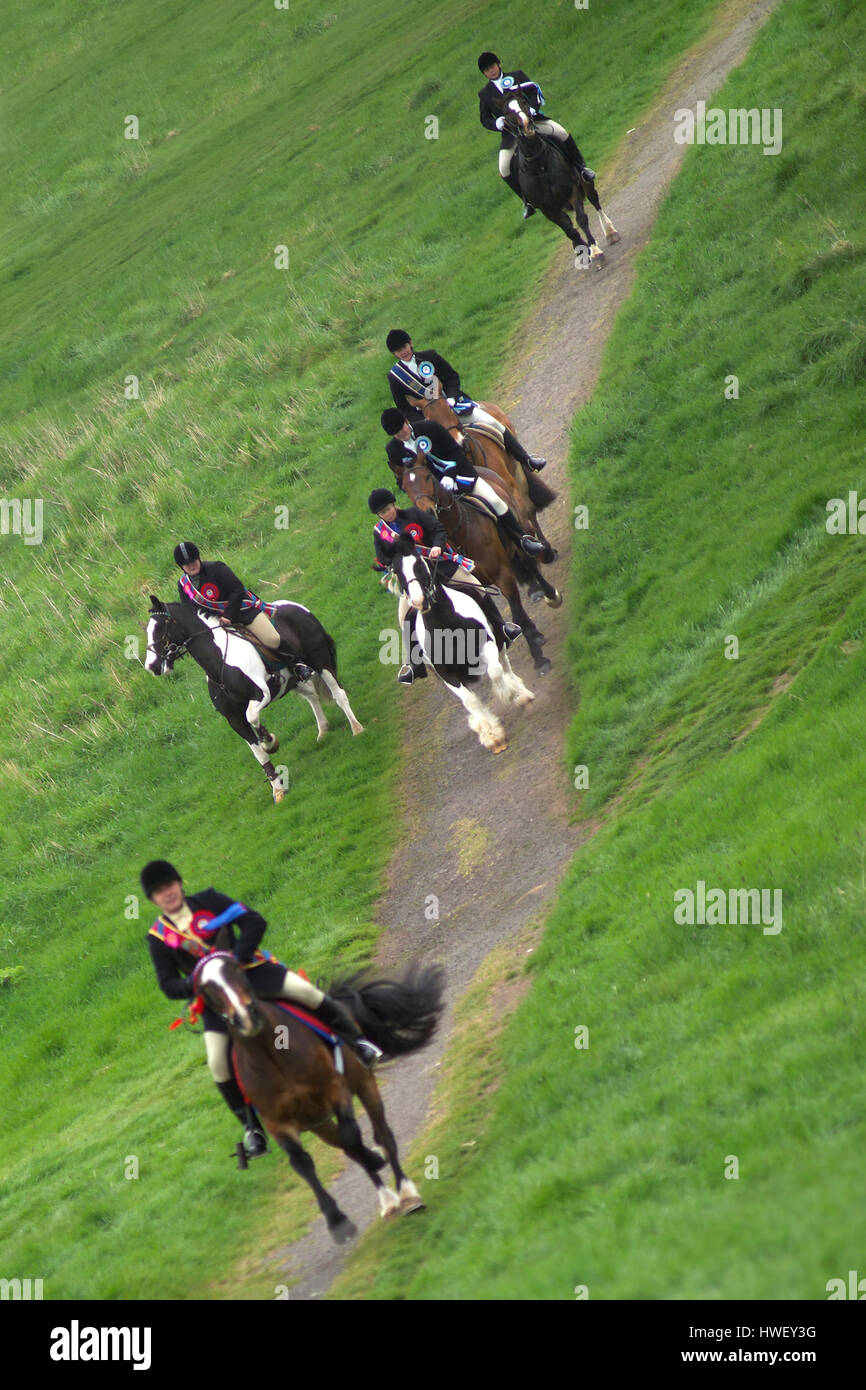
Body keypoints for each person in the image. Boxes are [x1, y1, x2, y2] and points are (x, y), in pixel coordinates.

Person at [142, 859, 383, 1157]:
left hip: (254, 972)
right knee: (217, 1060)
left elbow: (254, 922)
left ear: (179, 883)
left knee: (307, 992)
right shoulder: (157, 938)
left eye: (169, 885)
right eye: (158, 891)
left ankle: (359, 1046)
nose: (167, 893)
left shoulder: (210, 900)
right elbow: (167, 985)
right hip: (218, 1000)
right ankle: (252, 1127)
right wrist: (200, 982)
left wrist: (237, 959)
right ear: (152, 899)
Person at [368, 488, 521, 683]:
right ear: (378, 515)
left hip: (440, 566)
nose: (387, 514)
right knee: (403, 617)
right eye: (383, 512)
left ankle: (502, 627)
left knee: (476, 586)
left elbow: (437, 529)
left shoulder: (414, 514)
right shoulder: (380, 533)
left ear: (393, 504)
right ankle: (415, 664)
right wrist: (397, 562)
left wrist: (438, 546)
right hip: (414, 576)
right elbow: (382, 557)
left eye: (389, 508)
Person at [380, 408, 546, 558]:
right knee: (429, 529)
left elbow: (455, 451)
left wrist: (450, 476)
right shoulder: (393, 450)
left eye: (402, 429)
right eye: (397, 435)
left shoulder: (430, 427)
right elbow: (401, 479)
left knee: (494, 500)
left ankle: (522, 539)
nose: (402, 435)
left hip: (460, 476)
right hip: (433, 494)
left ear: (406, 422)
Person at [385, 329, 546, 471]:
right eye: (398, 351)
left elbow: (451, 377)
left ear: (410, 343)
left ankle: (526, 460)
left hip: (453, 407)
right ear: (394, 354)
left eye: (404, 347)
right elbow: (403, 407)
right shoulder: (395, 377)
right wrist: (423, 420)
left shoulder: (430, 356)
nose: (403, 352)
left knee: (492, 422)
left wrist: (452, 398)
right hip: (430, 420)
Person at [173, 541, 313, 681]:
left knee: (272, 639)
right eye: (187, 564)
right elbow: (190, 611)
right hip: (217, 625)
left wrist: (228, 615)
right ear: (181, 567)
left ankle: (298, 665)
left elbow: (237, 590)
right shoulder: (184, 585)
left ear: (198, 558)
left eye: (193, 561)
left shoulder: (217, 568)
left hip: (242, 612)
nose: (191, 565)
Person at [477, 52, 595, 218]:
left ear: (499, 64)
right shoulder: (485, 94)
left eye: (493, 66)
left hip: (534, 122)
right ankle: (527, 201)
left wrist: (533, 108)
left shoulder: (516, 76)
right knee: (503, 168)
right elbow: (485, 118)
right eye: (487, 70)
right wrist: (497, 123)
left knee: (562, 133)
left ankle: (582, 169)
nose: (491, 71)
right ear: (484, 73)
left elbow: (533, 92)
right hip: (513, 135)